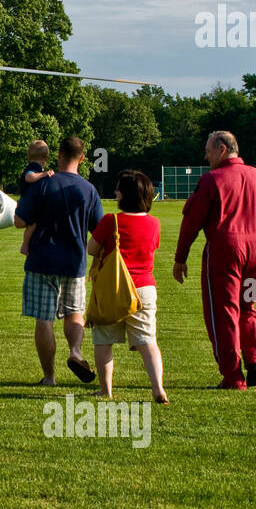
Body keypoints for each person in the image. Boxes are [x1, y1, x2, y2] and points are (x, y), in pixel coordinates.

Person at [173, 131, 256, 390]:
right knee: (248, 307)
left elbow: (192, 221)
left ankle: (233, 376)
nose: (205, 156)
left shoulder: (212, 180)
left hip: (226, 251)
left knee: (223, 312)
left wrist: (180, 258)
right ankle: (254, 361)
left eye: (209, 151)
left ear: (222, 149)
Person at [15, 137, 104, 385]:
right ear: (82, 158)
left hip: (42, 260)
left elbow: (19, 221)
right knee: (74, 312)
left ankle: (49, 376)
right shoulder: (89, 190)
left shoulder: (43, 184)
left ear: (58, 155)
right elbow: (99, 229)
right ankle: (75, 352)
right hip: (74, 261)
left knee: (44, 319)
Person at [87, 170, 168, 404]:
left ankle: (106, 390)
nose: (115, 192)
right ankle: (158, 388)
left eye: (118, 189)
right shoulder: (154, 224)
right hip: (144, 288)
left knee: (103, 340)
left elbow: (92, 249)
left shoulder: (111, 221)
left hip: (114, 287)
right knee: (147, 341)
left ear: (126, 194)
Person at [18, 140, 55, 256]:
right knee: (33, 223)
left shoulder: (34, 166)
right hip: (26, 202)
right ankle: (25, 245)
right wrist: (43, 174)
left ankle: (26, 244)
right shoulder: (34, 167)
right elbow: (29, 177)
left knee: (33, 224)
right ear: (46, 157)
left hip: (27, 201)